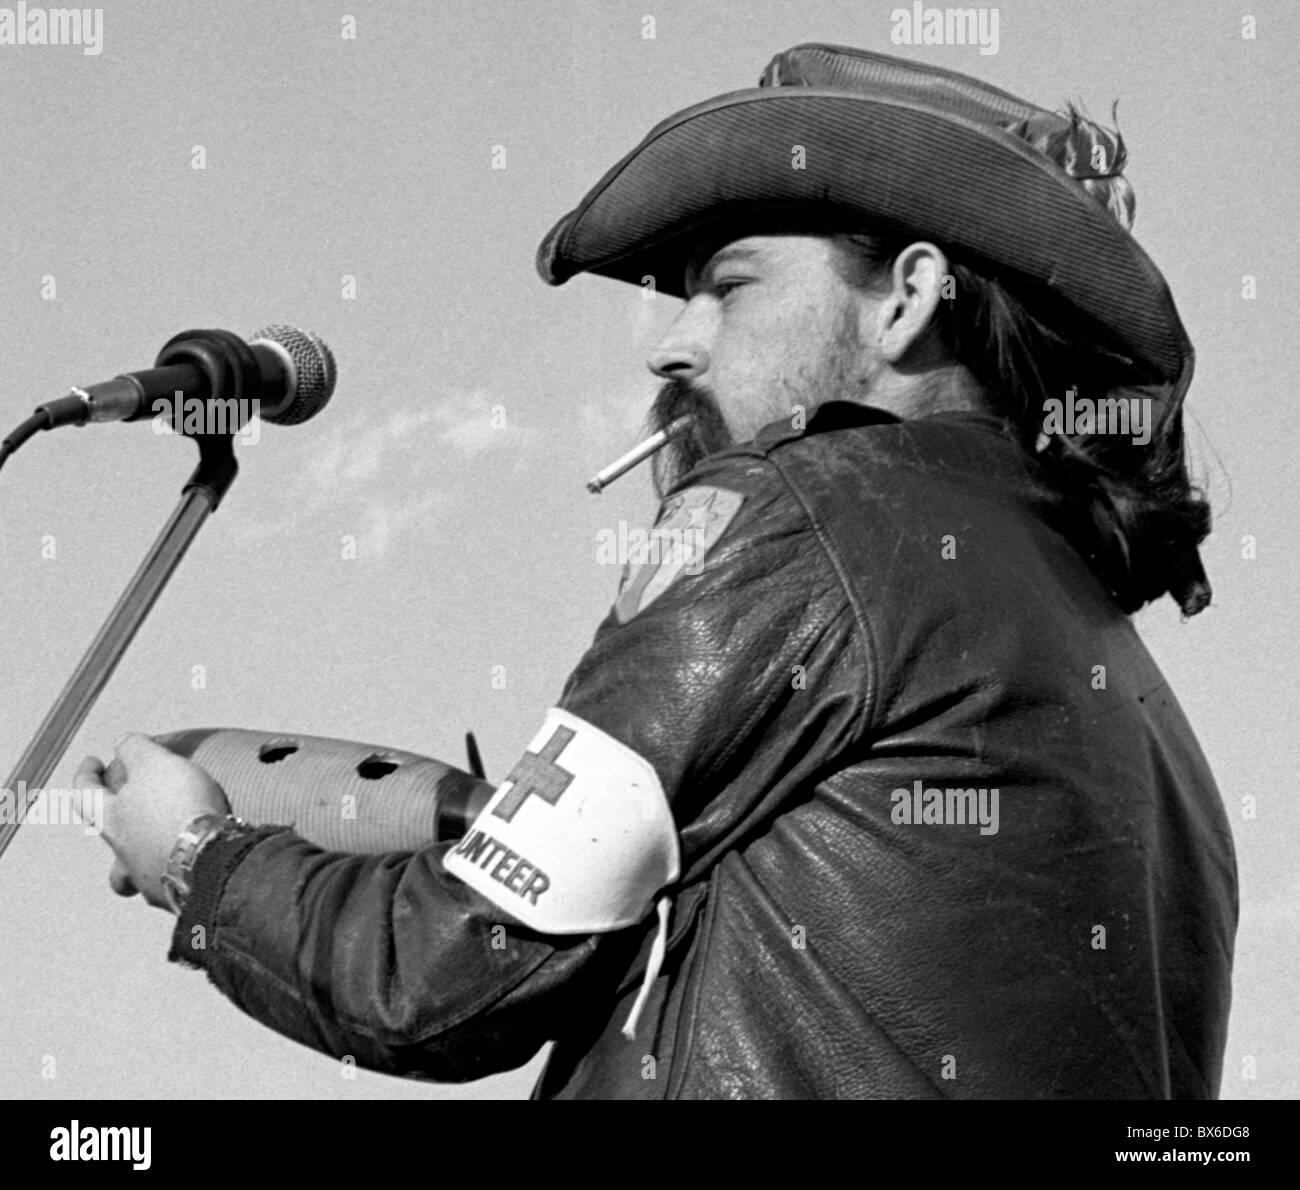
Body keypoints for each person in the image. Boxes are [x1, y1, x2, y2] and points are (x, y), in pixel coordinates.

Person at [76, 44, 1236, 1099]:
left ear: (908, 296)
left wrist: (196, 858)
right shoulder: (1155, 735)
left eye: (729, 287)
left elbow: (448, 968)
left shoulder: (802, 507)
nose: (671, 344)